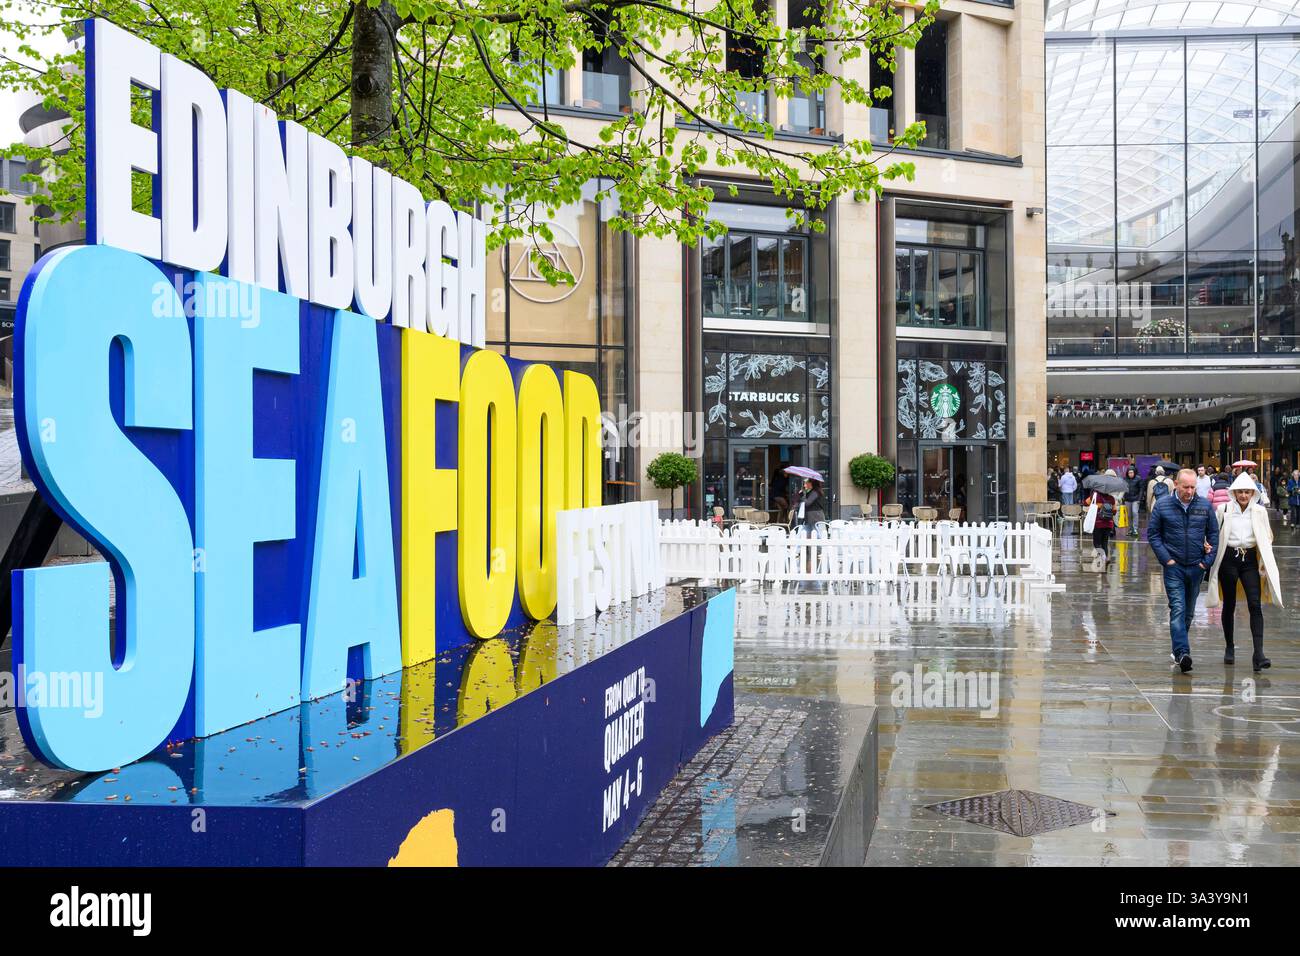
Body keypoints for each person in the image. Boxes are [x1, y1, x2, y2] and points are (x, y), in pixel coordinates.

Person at [1205, 472, 1281, 672]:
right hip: (1228, 559)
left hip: (1249, 560)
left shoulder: (1259, 512)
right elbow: (1213, 532)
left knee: (1254, 604)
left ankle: (1259, 653)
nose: (1244, 495)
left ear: (1253, 493)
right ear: (1234, 492)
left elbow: (1268, 536)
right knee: (1228, 603)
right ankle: (1229, 647)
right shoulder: (1223, 509)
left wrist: (1264, 559)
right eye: (1240, 492)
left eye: (1247, 492)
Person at [1148, 468, 1218, 673]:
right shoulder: (1162, 505)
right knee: (1177, 608)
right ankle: (1182, 652)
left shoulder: (1204, 505)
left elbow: (1214, 534)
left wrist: (1206, 562)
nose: (1189, 491)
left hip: (1197, 566)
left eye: (1193, 487)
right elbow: (1153, 535)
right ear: (1176, 484)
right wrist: (1166, 560)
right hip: (1174, 567)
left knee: (1188, 613)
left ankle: (1179, 648)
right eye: (1185, 486)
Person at [1084, 470, 1119, 562]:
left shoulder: (1095, 494)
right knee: (1105, 542)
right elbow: (1115, 511)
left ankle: (1102, 556)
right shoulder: (1111, 498)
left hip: (1098, 522)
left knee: (1097, 542)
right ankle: (1106, 557)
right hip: (1108, 523)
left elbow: (1086, 502)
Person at [1123, 466, 1143, 538]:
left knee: (1135, 513)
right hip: (1127, 499)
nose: (1130, 474)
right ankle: (1130, 529)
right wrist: (1123, 497)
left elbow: (1141, 489)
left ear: (1134, 472)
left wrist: (1139, 499)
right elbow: (1123, 488)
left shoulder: (1138, 479)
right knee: (1128, 515)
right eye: (1129, 473)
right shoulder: (1125, 479)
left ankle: (1135, 529)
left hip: (1135, 499)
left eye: (1131, 472)